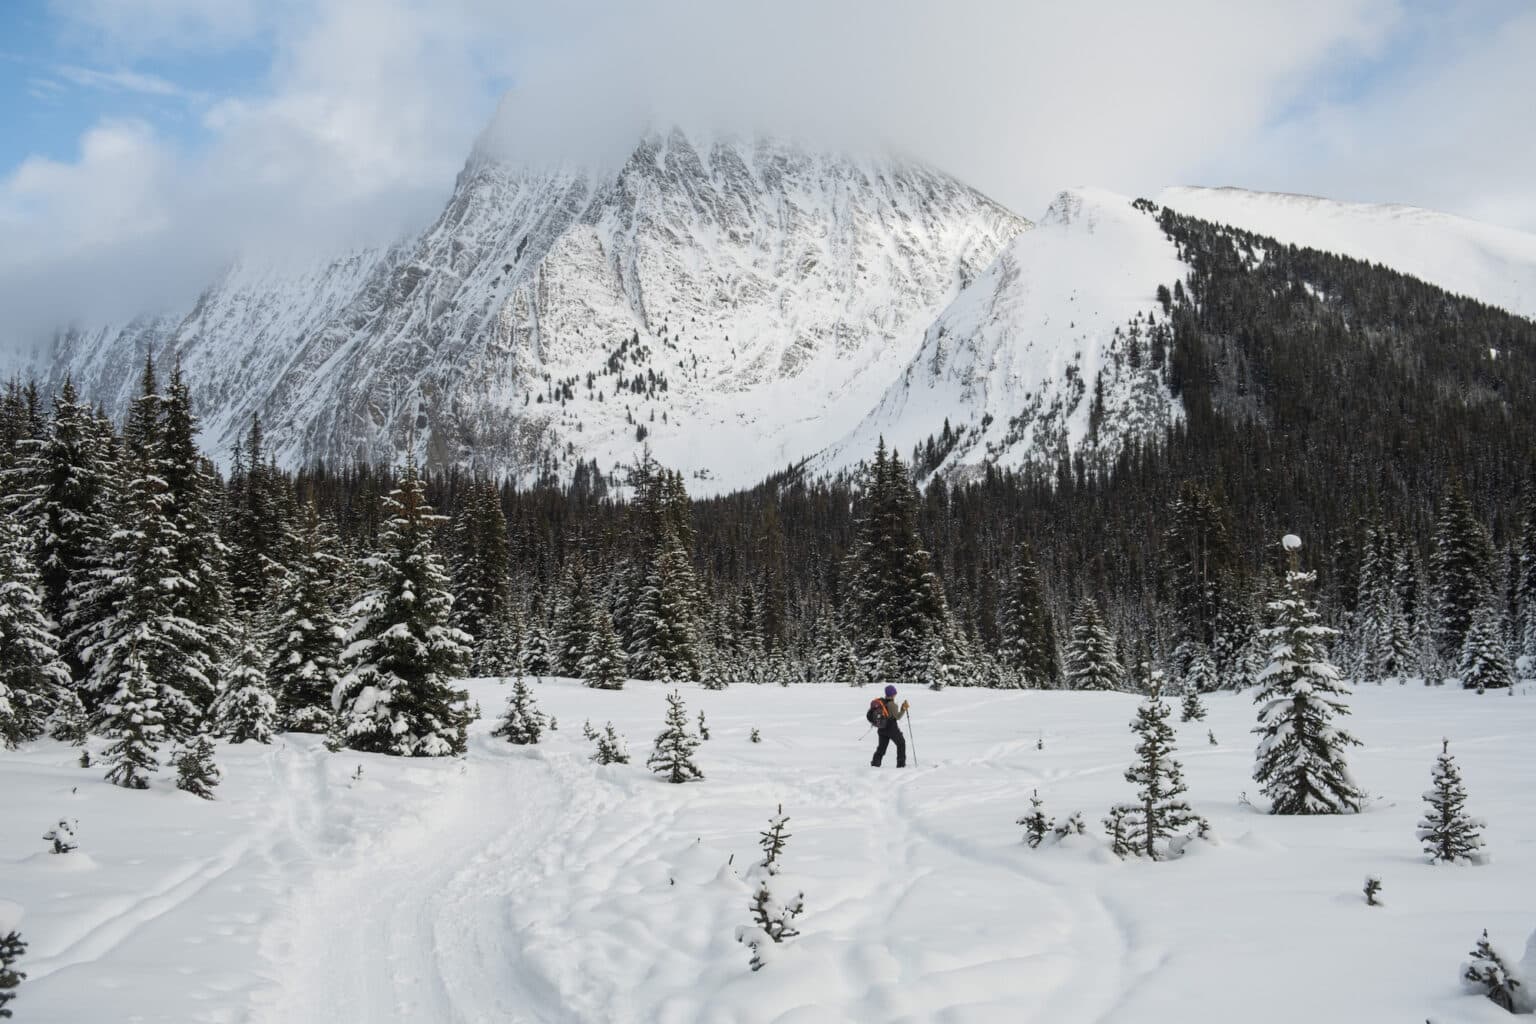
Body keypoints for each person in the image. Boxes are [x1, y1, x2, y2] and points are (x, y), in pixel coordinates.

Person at [870, 684, 909, 768]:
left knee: (881, 748)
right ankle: (901, 765)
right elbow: (898, 717)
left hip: (881, 729)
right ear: (892, 694)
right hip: (891, 728)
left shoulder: (882, 702)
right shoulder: (892, 704)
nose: (895, 695)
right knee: (901, 743)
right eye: (895, 693)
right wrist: (903, 709)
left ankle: (875, 764)